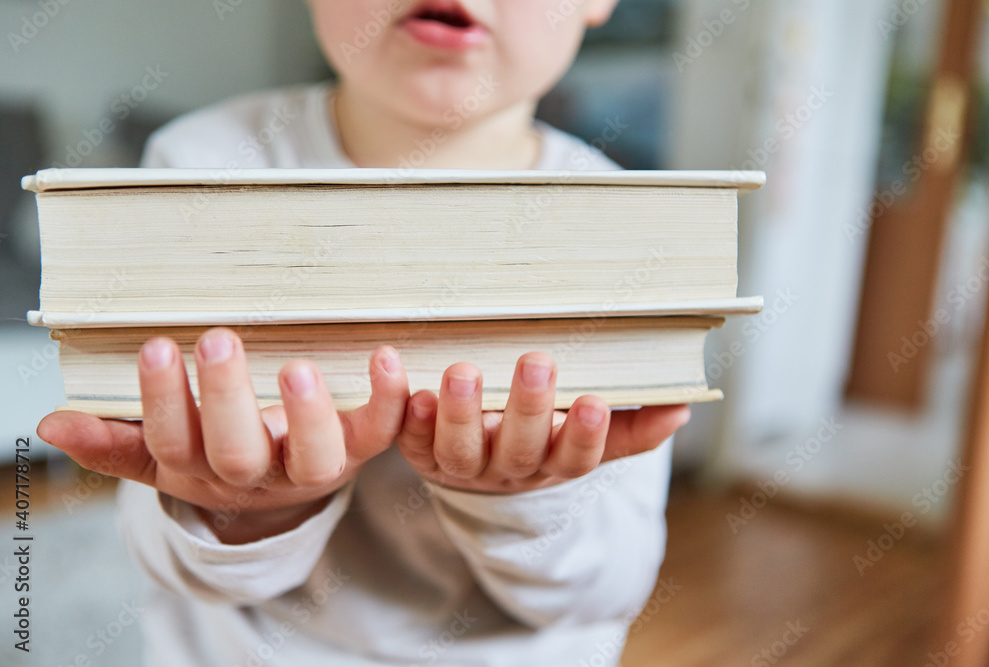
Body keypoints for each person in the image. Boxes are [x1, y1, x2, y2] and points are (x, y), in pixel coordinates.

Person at [37, 1, 691, 664]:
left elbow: (609, 586)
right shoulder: (197, 166)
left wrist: (525, 503)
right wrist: (249, 509)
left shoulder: (624, 230)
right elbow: (166, 554)